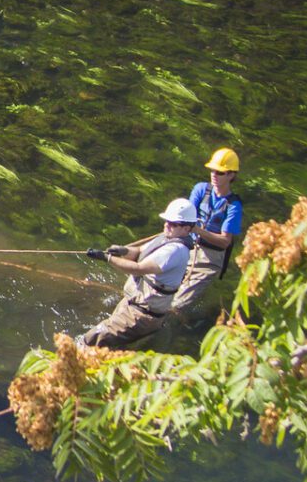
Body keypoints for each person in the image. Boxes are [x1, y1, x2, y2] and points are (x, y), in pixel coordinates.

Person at [79, 198, 197, 349]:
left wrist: (107, 258)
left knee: (91, 340)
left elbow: (138, 268)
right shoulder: (166, 237)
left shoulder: (175, 251)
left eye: (173, 224)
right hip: (132, 303)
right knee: (109, 345)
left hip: (141, 315)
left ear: (187, 229)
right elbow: (140, 251)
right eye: (166, 221)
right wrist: (123, 251)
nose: (167, 225)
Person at [172, 147, 244, 318]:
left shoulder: (233, 206)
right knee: (159, 281)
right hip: (188, 243)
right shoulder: (201, 189)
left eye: (219, 172)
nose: (214, 174)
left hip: (210, 258)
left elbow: (225, 241)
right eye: (212, 170)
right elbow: (187, 213)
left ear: (231, 175)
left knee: (178, 304)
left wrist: (197, 230)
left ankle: (169, 318)